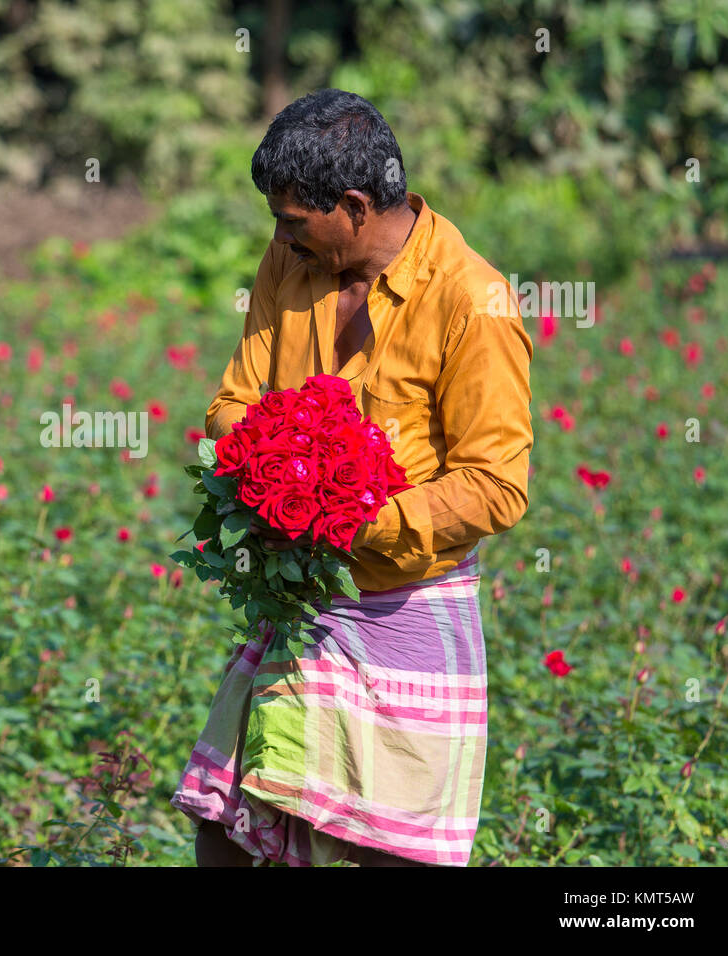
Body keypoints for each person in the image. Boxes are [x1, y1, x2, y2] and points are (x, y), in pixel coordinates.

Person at [170, 88, 534, 867]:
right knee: (229, 819)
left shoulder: (474, 300)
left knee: (387, 849)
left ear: (357, 206)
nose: (278, 237)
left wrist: (353, 512)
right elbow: (234, 401)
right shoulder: (290, 265)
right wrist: (274, 462)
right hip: (302, 595)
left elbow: (497, 483)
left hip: (405, 602)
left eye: (294, 221)